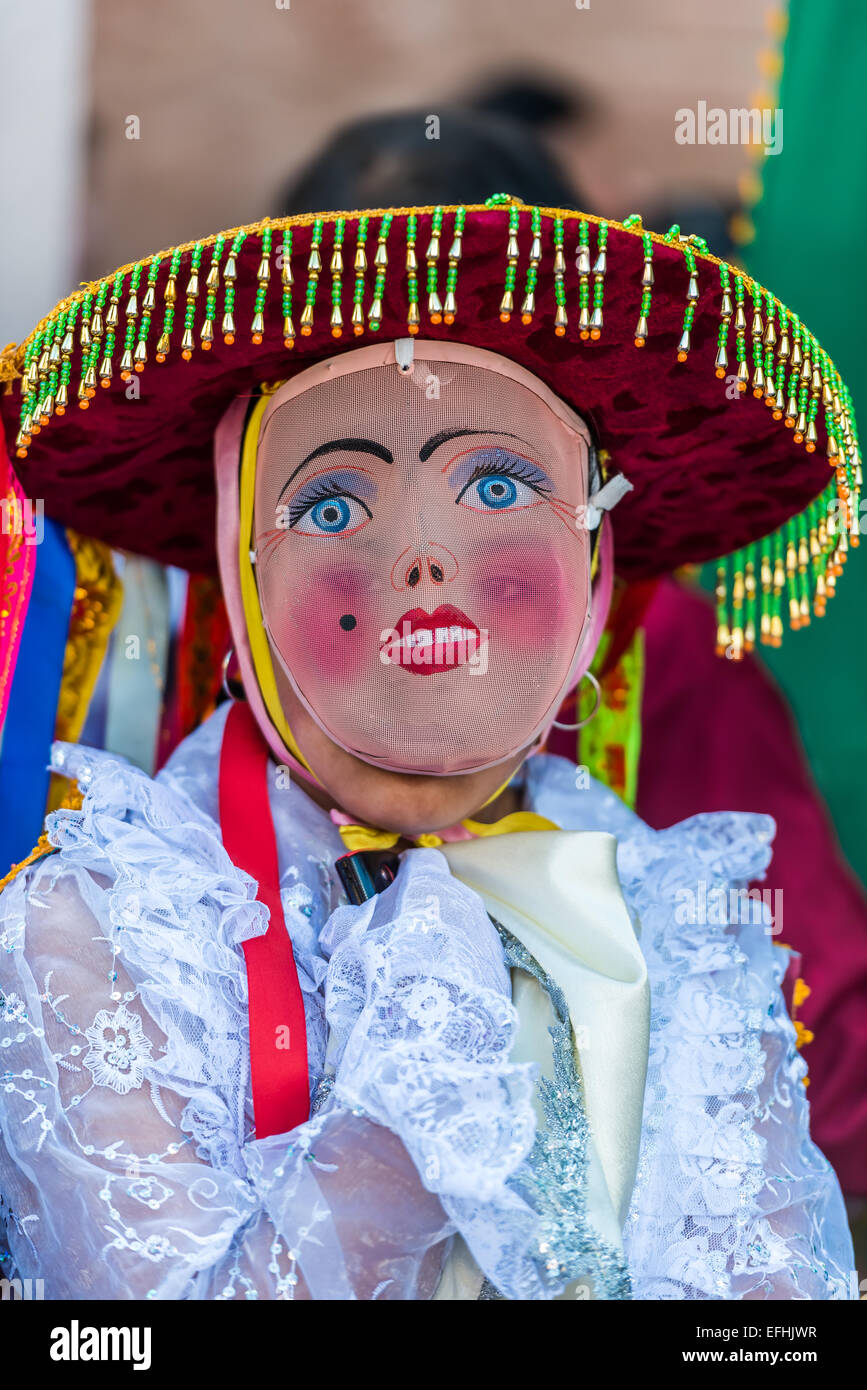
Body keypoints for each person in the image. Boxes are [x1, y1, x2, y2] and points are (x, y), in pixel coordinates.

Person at [0, 194, 858, 1299]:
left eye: (496, 487)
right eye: (331, 504)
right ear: (241, 567)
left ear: (593, 564)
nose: (424, 558)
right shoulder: (105, 925)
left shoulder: (674, 910)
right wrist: (425, 1056)